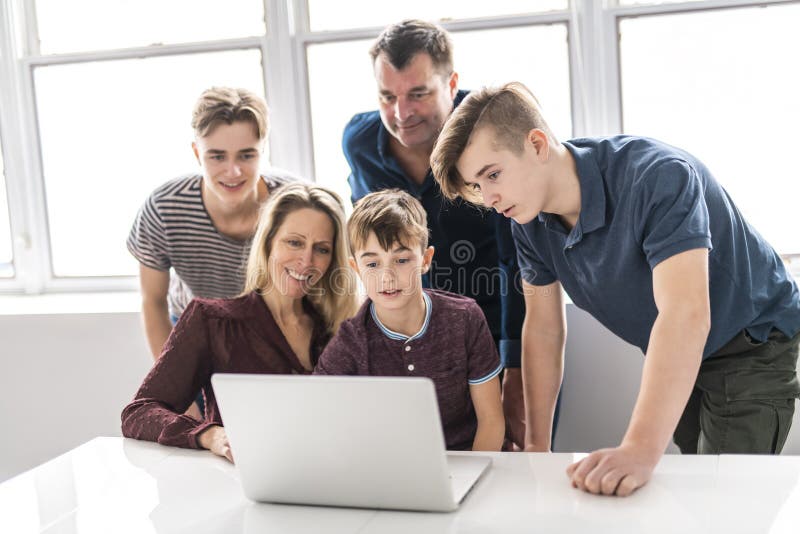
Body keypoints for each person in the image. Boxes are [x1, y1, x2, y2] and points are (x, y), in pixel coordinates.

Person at [430, 82, 800, 496]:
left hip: (749, 344)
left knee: (725, 499)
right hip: (680, 353)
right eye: (478, 187)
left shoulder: (658, 177)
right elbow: (544, 330)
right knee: (690, 495)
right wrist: (537, 445)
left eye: (492, 174)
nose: (490, 198)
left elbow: (686, 314)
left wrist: (639, 447)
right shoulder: (527, 220)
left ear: (536, 144)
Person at [342, 19, 529, 449]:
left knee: (514, 466)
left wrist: (514, 367)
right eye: (387, 97)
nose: (401, 113)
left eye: (418, 94)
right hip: (410, 342)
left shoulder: (490, 135)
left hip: (496, 331)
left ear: (452, 83)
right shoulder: (359, 142)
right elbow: (367, 245)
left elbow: (516, 261)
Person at [122, 183, 359, 462]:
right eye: (294, 242)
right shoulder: (211, 321)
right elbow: (139, 412)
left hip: (325, 479)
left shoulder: (338, 331)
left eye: (321, 249)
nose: (306, 260)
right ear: (269, 242)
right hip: (238, 485)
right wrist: (210, 435)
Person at [314, 189, 505, 451]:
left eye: (401, 260)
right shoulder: (351, 341)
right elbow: (314, 415)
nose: (387, 276)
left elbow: (492, 422)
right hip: (392, 477)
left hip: (468, 465)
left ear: (425, 260)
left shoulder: (465, 319)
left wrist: (470, 484)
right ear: (355, 268)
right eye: (372, 264)